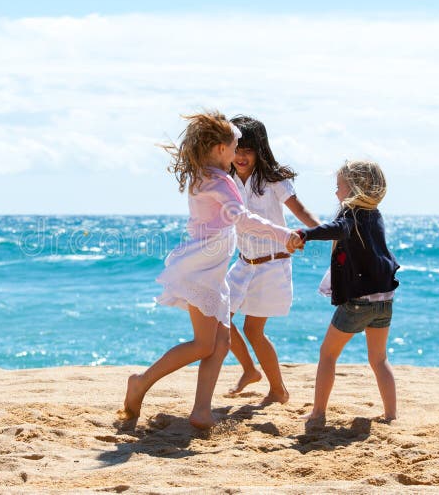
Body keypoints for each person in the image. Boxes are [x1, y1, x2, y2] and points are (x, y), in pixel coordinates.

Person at [122, 110, 303, 429]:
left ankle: (201, 411)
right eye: (234, 147)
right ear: (220, 149)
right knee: (205, 344)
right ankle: (141, 382)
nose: (236, 154)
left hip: (210, 272)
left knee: (219, 344)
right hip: (200, 273)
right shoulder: (219, 183)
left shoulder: (208, 177)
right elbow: (244, 219)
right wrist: (284, 234)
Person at [224, 115, 320, 405]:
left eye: (248, 150)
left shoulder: (273, 179)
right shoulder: (225, 179)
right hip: (243, 263)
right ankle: (250, 370)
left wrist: (322, 232)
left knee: (253, 329)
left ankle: (278, 389)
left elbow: (300, 210)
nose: (241, 156)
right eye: (236, 149)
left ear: (260, 150)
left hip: (272, 264)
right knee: (218, 319)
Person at [297, 160, 400, 422]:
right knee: (379, 359)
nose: (336, 193)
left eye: (339, 186)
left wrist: (305, 234)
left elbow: (336, 229)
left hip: (359, 303)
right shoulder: (374, 215)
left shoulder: (350, 216)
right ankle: (391, 415)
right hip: (384, 299)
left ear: (355, 188)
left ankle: (318, 413)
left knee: (327, 354)